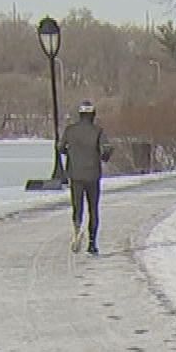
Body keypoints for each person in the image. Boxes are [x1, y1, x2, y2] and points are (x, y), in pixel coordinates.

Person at [57, 100, 112, 255]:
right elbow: (107, 148)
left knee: (77, 205)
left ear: (80, 114)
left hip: (75, 174)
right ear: (93, 114)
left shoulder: (70, 130)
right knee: (93, 208)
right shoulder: (98, 131)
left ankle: (77, 228)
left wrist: (71, 154)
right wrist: (103, 158)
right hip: (93, 174)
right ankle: (92, 243)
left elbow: (61, 147)